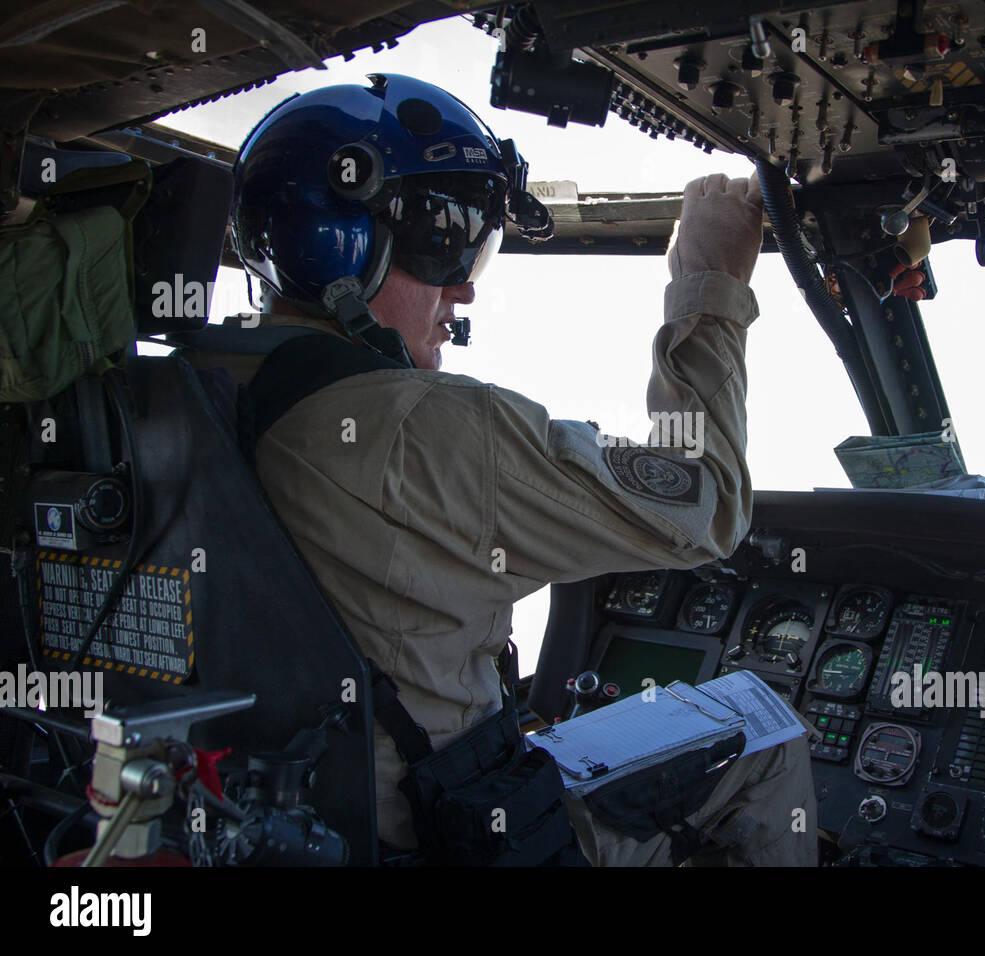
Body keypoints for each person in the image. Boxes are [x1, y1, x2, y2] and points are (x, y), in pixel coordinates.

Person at [200, 74, 816, 865]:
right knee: (757, 725)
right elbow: (709, 507)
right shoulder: (427, 426)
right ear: (341, 245)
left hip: (272, 825)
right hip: (445, 834)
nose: (463, 286)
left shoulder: (183, 398)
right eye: (446, 241)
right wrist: (708, 279)